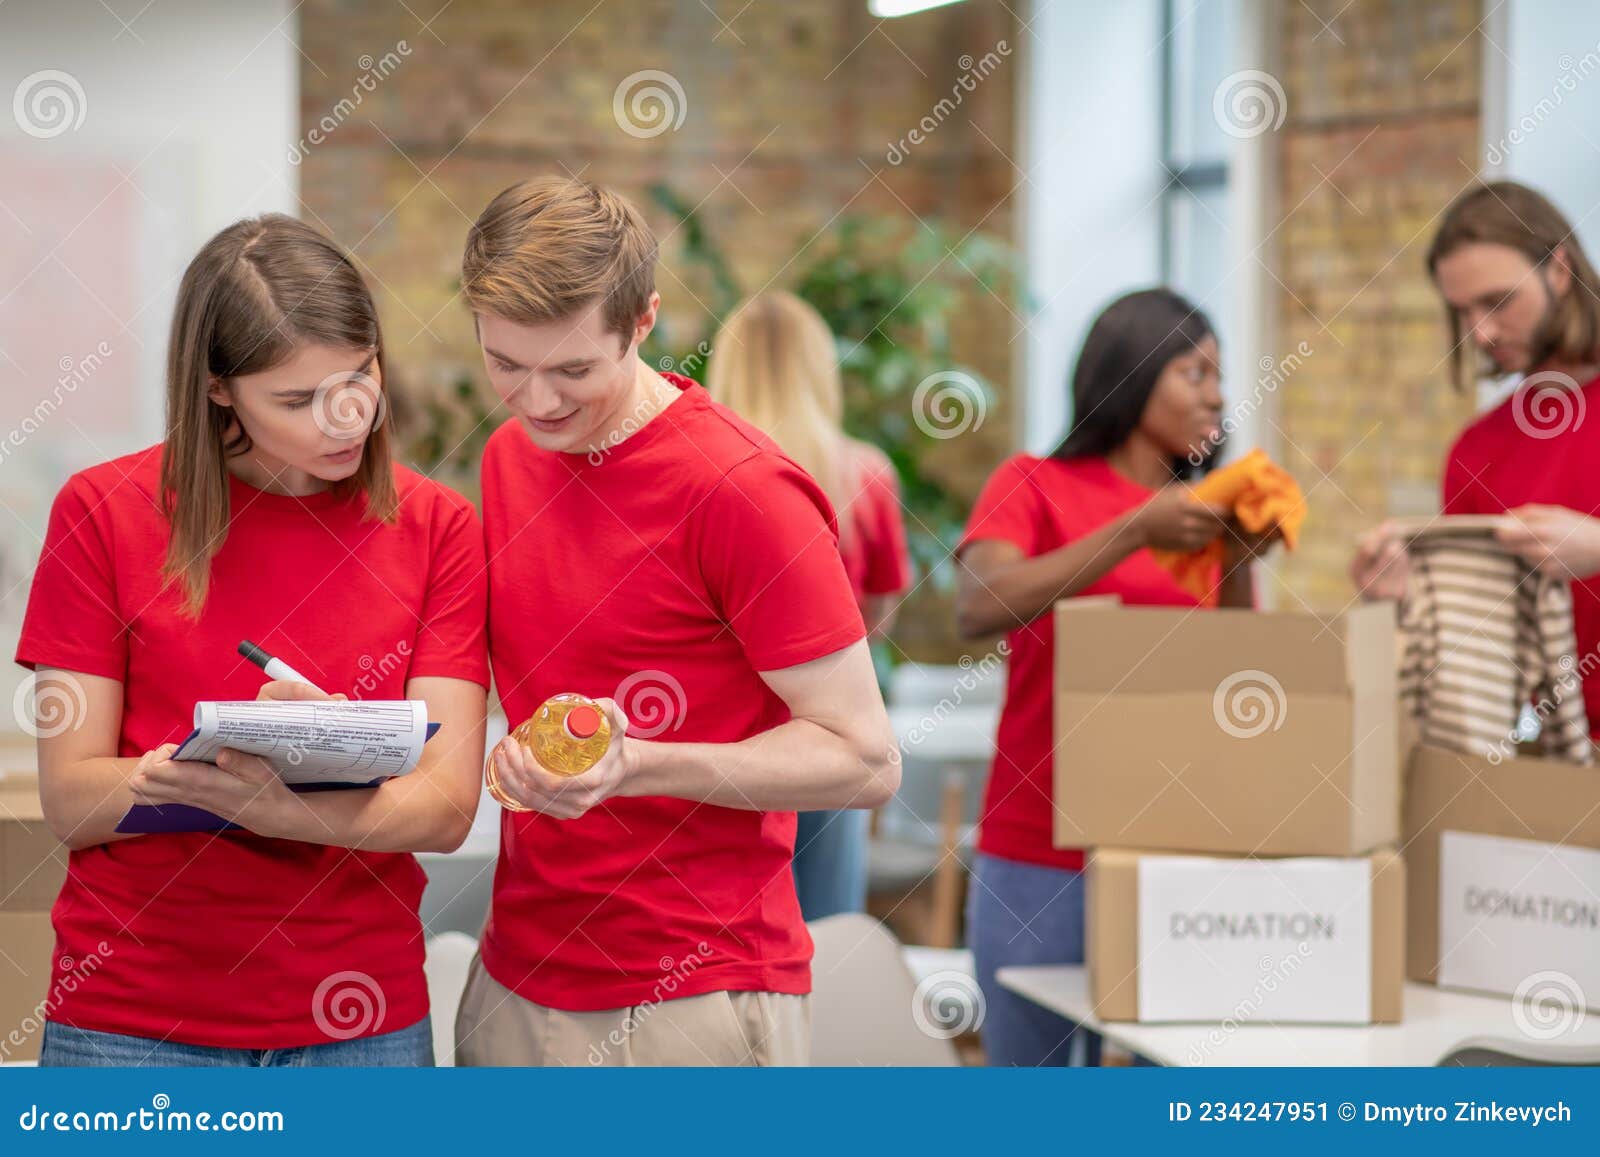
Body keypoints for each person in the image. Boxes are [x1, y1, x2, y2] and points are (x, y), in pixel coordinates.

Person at [15, 215, 489, 1067]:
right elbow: (75, 802)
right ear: (218, 388)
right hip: (134, 1027)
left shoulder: (438, 528)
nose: (343, 418)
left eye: (358, 377)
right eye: (297, 399)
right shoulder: (102, 514)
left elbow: (448, 808)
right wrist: (238, 770)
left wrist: (291, 794)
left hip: (362, 1023)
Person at [451, 177, 899, 1067]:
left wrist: (641, 765)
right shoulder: (509, 459)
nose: (537, 402)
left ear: (645, 321)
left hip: (691, 989)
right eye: (506, 364)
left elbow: (867, 758)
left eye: (575, 370)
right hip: (516, 967)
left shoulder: (743, 491)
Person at [954, 288, 1276, 1066]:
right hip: (1038, 844)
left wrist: (1235, 562)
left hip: (1171, 846)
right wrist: (1136, 527)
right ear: (1133, 374)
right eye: (1194, 371)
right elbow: (981, 603)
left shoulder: (1202, 514)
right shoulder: (1033, 482)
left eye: (1220, 375)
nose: (1217, 394)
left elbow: (1236, 680)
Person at [1351, 182, 1600, 732]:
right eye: (1462, 312)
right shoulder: (1476, 452)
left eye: (1499, 302)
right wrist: (1407, 607)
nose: (1481, 332)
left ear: (1558, 271)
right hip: (1555, 769)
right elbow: (1479, 657)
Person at [706, 290, 912, 920]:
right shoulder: (864, 475)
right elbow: (879, 615)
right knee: (823, 933)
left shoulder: (705, 477)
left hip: (723, 741)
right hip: (827, 735)